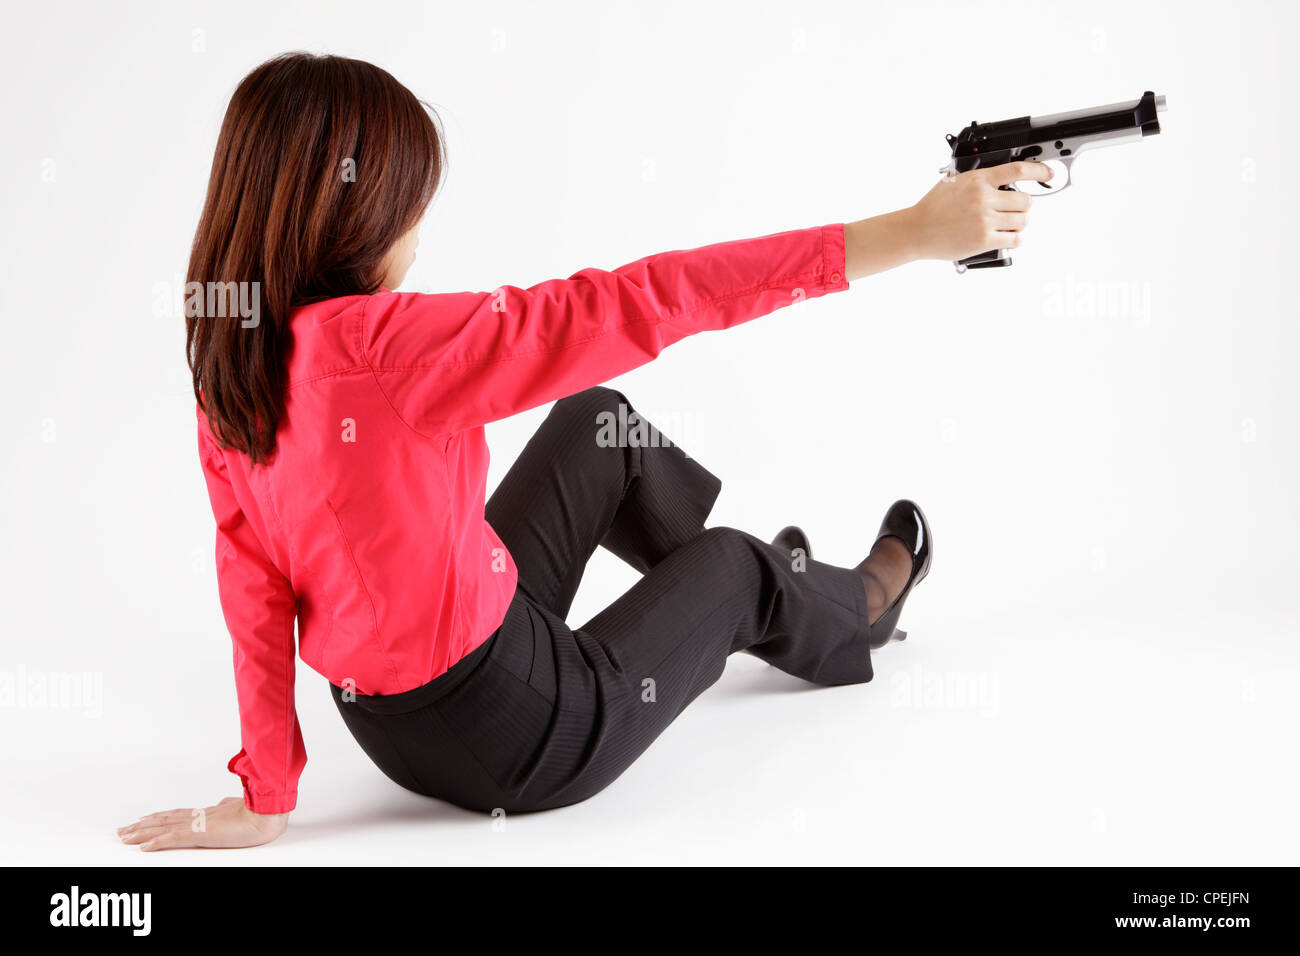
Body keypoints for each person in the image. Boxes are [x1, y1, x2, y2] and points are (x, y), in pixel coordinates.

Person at [117, 52, 1049, 851]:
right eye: (410, 205)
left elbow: (251, 581)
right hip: (521, 735)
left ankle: (757, 604)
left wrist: (266, 793)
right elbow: (643, 301)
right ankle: (835, 609)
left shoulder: (230, 367)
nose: (415, 232)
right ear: (353, 217)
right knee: (730, 563)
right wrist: (911, 235)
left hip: (383, 725)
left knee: (595, 421)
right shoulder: (389, 346)